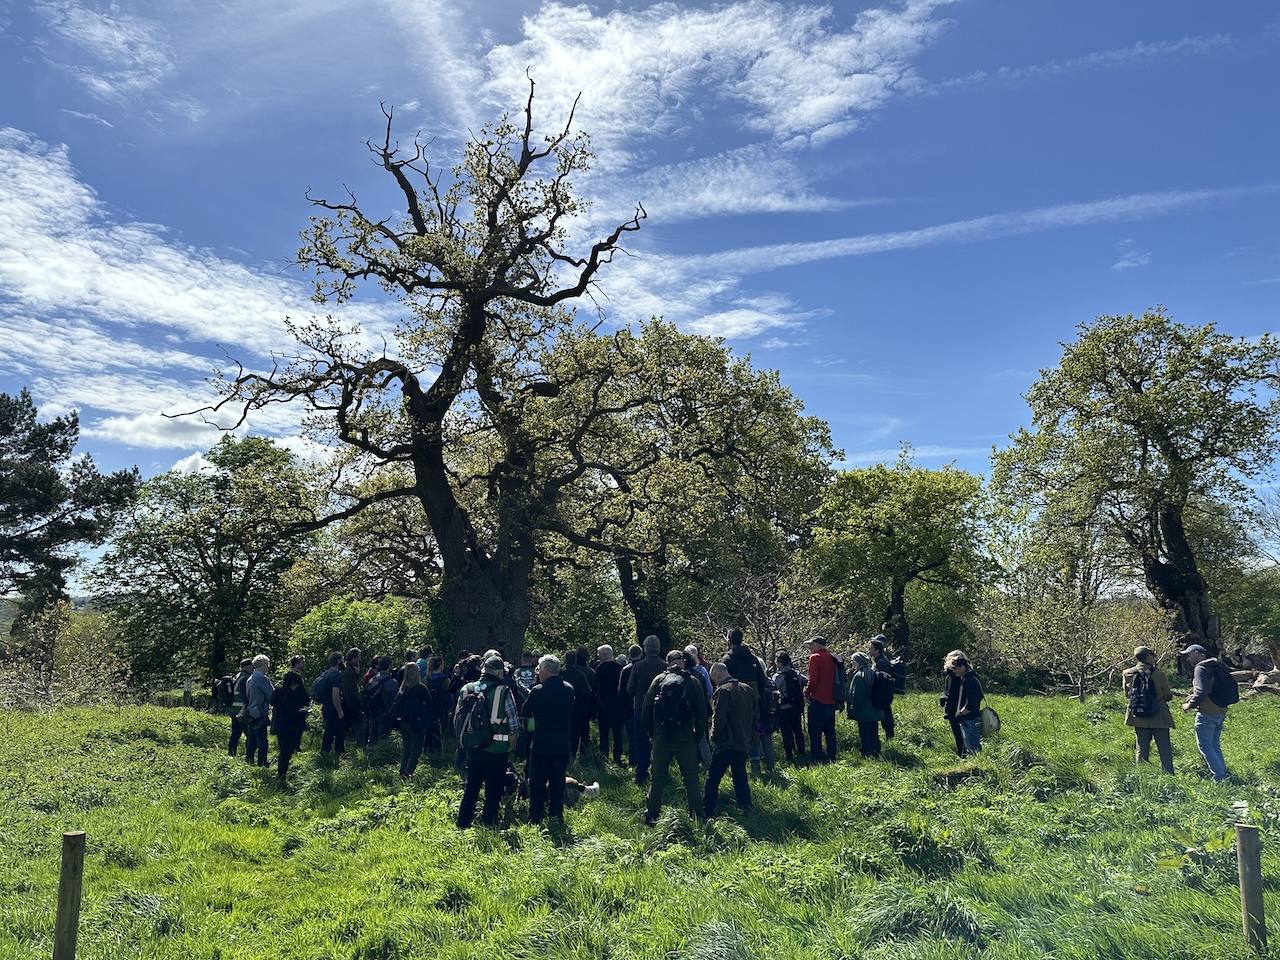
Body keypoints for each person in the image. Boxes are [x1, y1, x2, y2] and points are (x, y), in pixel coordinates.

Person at [640, 650, 707, 826]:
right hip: (685, 739)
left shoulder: (658, 681)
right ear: (683, 662)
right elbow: (701, 713)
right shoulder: (693, 681)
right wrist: (696, 736)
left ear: (667, 663)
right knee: (691, 778)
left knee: (657, 778)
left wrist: (651, 733)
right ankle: (697, 815)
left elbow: (646, 710)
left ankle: (651, 815)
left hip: (661, 738)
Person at [455, 655, 520, 829]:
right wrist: (511, 746)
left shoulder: (466, 689)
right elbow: (514, 725)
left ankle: (462, 824)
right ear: (500, 672)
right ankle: (489, 825)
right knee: (493, 791)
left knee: (471, 788)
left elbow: (457, 720)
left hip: (472, 748)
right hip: (497, 750)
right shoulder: (504, 691)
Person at [521, 654, 576, 824]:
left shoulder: (538, 690)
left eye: (538, 669)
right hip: (562, 743)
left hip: (541, 743)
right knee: (557, 782)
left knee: (537, 782)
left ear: (545, 670)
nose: (538, 673)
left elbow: (525, 711)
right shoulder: (568, 689)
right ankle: (556, 815)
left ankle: (535, 816)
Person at [703, 663, 757, 818]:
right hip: (743, 742)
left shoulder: (723, 691)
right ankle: (746, 807)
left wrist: (714, 736)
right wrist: (750, 736)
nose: (714, 682)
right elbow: (755, 716)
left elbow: (719, 718)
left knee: (712, 778)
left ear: (717, 674)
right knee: (740, 776)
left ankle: (707, 811)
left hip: (726, 742)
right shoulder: (747, 689)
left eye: (713, 678)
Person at [1180, 643, 1233, 783]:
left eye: (1189, 655)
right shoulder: (1216, 665)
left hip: (1207, 713)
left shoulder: (1200, 668)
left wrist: (1189, 705)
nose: (1187, 659)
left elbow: (1201, 691)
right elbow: (1211, 689)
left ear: (1196, 653)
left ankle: (1219, 777)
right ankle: (1223, 775)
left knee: (1205, 746)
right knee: (1214, 745)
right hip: (1220, 710)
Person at [1123, 645, 1175, 775]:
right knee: (1164, 748)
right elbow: (1167, 696)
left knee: (1141, 748)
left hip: (1138, 717)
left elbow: (1127, 694)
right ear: (1149, 657)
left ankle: (1142, 775)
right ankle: (1169, 775)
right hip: (1159, 717)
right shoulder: (1159, 675)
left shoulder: (1127, 673)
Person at [627, 635, 668, 785]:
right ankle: (660, 774)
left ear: (644, 648)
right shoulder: (665, 666)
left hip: (640, 707)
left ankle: (641, 775)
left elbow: (630, 689)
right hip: (660, 710)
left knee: (641, 743)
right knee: (659, 743)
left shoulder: (638, 666)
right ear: (658, 647)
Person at [393, 661, 431, 778]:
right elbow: (429, 703)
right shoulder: (420, 688)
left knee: (406, 748)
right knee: (416, 749)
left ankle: (402, 770)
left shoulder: (402, 688)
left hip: (403, 722)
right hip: (415, 722)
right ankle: (408, 772)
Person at [944, 650, 984, 755]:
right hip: (966, 717)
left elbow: (972, 701)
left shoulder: (969, 680)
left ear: (962, 667)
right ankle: (971, 765)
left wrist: (961, 712)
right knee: (968, 745)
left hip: (969, 717)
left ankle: (976, 767)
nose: (954, 671)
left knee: (972, 748)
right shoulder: (965, 678)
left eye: (955, 668)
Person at [272, 670, 309, 782]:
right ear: (292, 683)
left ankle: (281, 774)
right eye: (296, 684)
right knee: (286, 753)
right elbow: (292, 713)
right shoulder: (287, 695)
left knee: (283, 750)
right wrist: (304, 712)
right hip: (288, 727)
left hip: (279, 725)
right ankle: (281, 776)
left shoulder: (278, 691)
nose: (297, 687)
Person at [805, 636, 838, 763]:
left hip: (818, 700)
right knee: (830, 731)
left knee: (814, 731)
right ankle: (832, 756)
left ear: (818, 645)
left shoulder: (815, 658)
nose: (810, 648)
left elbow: (812, 681)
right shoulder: (832, 657)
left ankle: (817, 759)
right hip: (831, 700)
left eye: (811, 645)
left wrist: (806, 693)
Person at [595, 645, 626, 764]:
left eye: (599, 654)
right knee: (617, 733)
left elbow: (597, 686)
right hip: (617, 704)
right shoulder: (619, 668)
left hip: (603, 704)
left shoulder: (599, 669)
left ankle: (604, 756)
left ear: (605, 655)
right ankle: (618, 756)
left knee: (604, 733)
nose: (598, 656)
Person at [773, 652, 806, 763]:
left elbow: (773, 688)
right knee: (798, 729)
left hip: (784, 707)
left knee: (786, 731)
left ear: (780, 663)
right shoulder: (796, 673)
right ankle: (802, 751)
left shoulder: (778, 676)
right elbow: (806, 681)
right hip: (796, 706)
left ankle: (789, 754)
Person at [848, 651, 882, 758]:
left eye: (853, 661)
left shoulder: (859, 675)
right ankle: (876, 751)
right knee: (874, 732)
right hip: (875, 708)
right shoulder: (873, 672)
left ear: (857, 662)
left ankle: (866, 753)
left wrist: (854, 708)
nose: (852, 663)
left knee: (864, 733)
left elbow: (857, 694)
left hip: (864, 709)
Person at [244, 655, 274, 767]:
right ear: (264, 666)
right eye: (267, 665)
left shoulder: (250, 679)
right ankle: (262, 763)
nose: (268, 668)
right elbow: (271, 695)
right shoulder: (262, 679)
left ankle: (249, 761)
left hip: (250, 712)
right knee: (262, 742)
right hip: (260, 712)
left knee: (251, 740)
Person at [316, 651, 347, 756]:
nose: (344, 662)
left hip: (326, 706)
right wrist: (339, 710)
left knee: (338, 730)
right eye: (342, 659)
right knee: (330, 732)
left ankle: (339, 751)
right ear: (338, 661)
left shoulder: (326, 673)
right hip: (333, 707)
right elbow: (335, 694)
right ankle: (325, 752)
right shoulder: (336, 675)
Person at [363, 656, 398, 746]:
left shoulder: (372, 679)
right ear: (389, 666)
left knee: (371, 739)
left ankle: (369, 757)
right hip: (384, 713)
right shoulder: (392, 682)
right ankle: (380, 758)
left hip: (372, 712)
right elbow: (394, 702)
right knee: (382, 740)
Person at [617, 644, 643, 767]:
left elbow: (621, 692)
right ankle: (645, 760)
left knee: (633, 738)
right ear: (641, 654)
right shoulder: (644, 667)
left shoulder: (626, 669)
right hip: (643, 707)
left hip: (628, 709)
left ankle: (633, 762)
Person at [940, 650, 968, 757]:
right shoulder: (952, 674)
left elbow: (953, 692)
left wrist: (947, 701)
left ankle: (963, 754)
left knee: (960, 734)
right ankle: (962, 753)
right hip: (954, 707)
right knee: (959, 733)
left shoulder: (956, 676)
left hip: (957, 708)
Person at [868, 630, 895, 740]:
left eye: (871, 648)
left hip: (883, 693)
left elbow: (883, 679)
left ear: (877, 649)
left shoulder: (881, 662)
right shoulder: (878, 660)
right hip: (882, 693)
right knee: (884, 714)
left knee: (885, 715)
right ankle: (889, 736)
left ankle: (890, 736)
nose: (869, 650)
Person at [226, 658, 253, 758]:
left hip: (234, 709)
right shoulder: (245, 678)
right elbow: (246, 695)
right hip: (241, 710)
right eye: (251, 666)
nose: (253, 669)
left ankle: (231, 754)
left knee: (235, 734)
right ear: (247, 667)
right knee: (249, 734)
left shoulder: (238, 676)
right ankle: (249, 756)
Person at [340, 648, 363, 749]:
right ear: (353, 658)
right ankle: (339, 747)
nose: (359, 660)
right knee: (345, 726)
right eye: (358, 658)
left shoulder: (350, 670)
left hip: (349, 702)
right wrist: (349, 704)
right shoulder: (347, 671)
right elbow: (347, 689)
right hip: (348, 703)